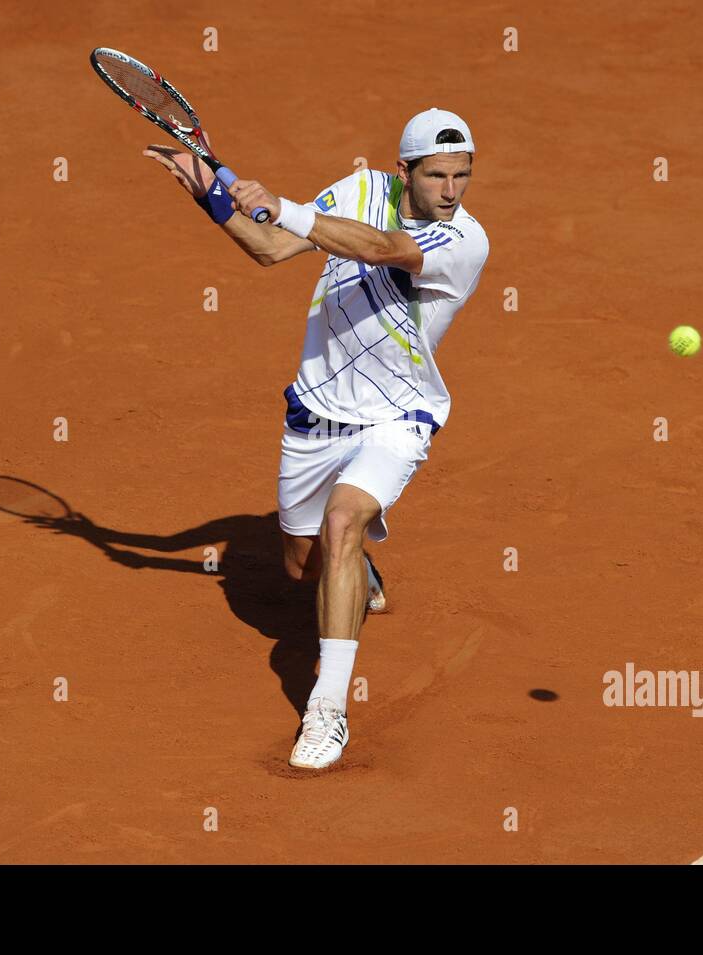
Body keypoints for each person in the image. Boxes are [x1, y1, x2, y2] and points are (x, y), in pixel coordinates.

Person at [145, 107, 489, 769]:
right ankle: (358, 569)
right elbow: (271, 247)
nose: (451, 191)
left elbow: (380, 249)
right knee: (303, 565)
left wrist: (286, 207)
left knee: (342, 523)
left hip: (399, 415)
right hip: (316, 413)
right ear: (404, 171)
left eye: (462, 175)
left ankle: (327, 710)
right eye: (438, 175)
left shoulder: (465, 239)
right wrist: (206, 185)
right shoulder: (358, 191)